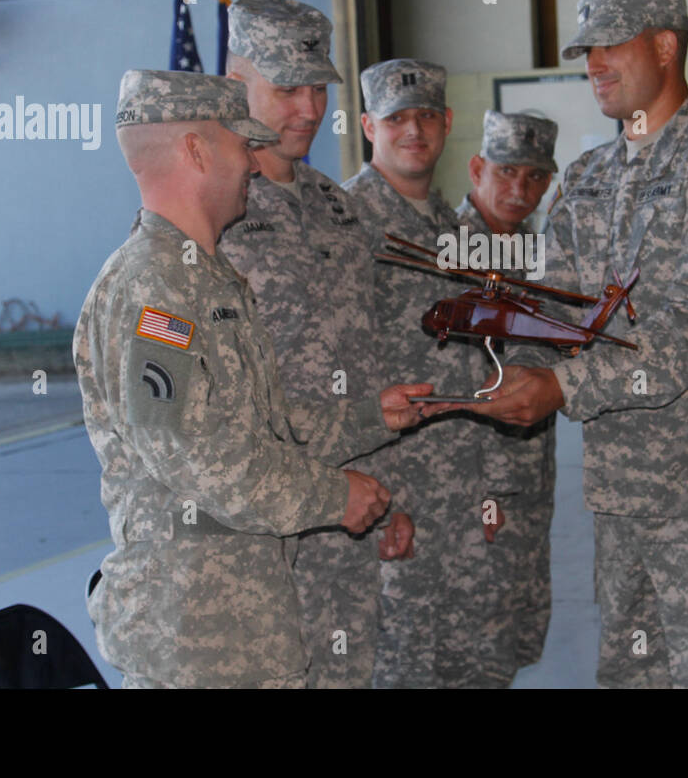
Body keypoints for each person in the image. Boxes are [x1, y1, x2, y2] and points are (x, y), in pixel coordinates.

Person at [469, 0, 688, 688]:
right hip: (627, 500)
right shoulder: (586, 180)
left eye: (609, 46)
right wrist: (516, 366)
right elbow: (552, 310)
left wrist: (564, 384)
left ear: (666, 45)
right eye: (585, 50)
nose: (593, 63)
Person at [74, 69, 436, 688]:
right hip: (196, 639)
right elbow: (194, 455)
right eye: (240, 143)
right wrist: (332, 497)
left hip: (246, 627)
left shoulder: (203, 277)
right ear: (194, 150)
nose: (251, 160)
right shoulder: (153, 290)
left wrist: (369, 417)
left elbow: (257, 426)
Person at [219, 0, 409, 688]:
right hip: (263, 536)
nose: (308, 107)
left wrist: (394, 493)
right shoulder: (210, 213)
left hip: (350, 517)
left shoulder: (336, 207)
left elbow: (368, 359)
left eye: (318, 87)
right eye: (287, 88)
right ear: (237, 86)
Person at [342, 59, 520, 688]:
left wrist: (497, 491)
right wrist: (383, 499)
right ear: (368, 125)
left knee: (477, 667)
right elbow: (339, 370)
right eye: (395, 118)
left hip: (469, 498)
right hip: (400, 504)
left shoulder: (454, 229)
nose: (412, 130)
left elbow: (483, 364)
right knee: (404, 670)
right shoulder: (346, 225)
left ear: (446, 124)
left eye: (425, 116)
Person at [454, 109, 559, 668]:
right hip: (474, 484)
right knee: (477, 640)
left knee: (515, 632)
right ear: (477, 169)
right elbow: (455, 387)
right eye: (507, 172)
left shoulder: (532, 255)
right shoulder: (447, 257)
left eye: (536, 176)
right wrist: (485, 495)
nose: (521, 190)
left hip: (531, 475)